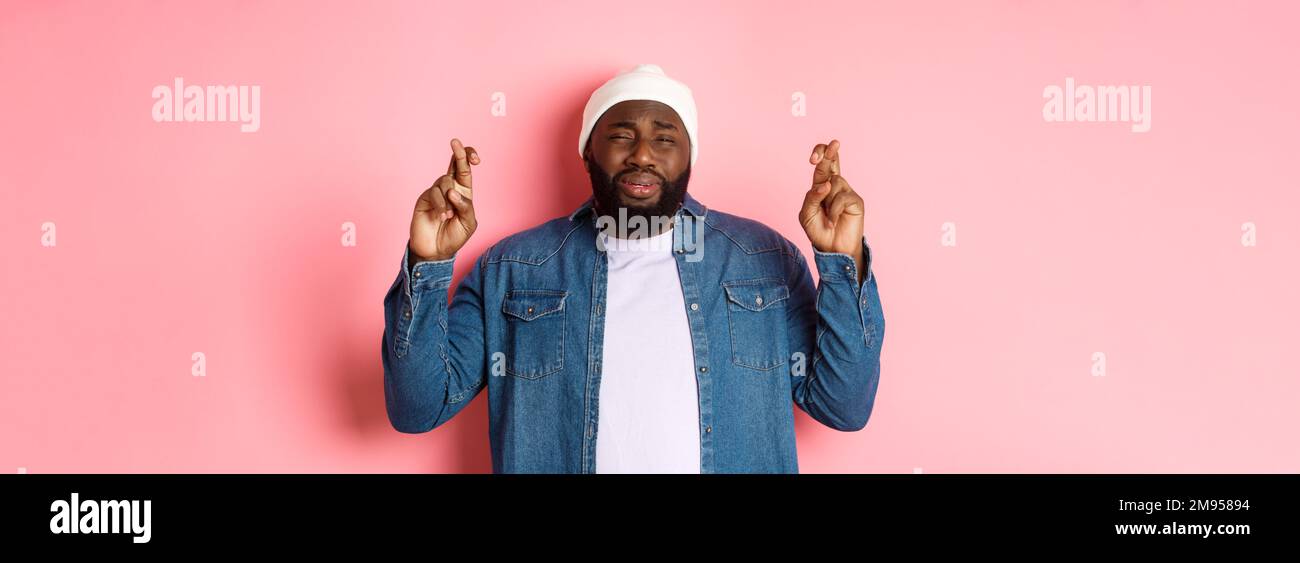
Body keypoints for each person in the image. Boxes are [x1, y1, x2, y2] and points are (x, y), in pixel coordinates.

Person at [381, 64, 884, 473]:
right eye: (621, 135)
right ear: (587, 153)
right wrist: (430, 261)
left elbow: (842, 406)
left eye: (666, 139)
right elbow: (417, 409)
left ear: (690, 158)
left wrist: (842, 262)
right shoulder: (512, 269)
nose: (642, 154)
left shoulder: (763, 259)